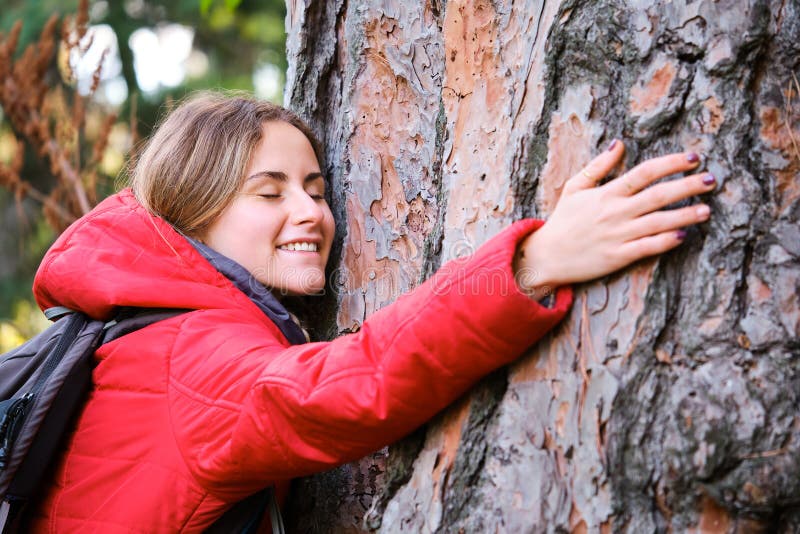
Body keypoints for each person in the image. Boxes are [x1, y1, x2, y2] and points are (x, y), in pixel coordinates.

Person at [28, 92, 714, 532]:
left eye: (315, 187)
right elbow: (345, 386)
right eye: (269, 194)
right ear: (193, 218)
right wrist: (532, 264)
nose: (310, 213)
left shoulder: (143, 327)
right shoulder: (187, 353)